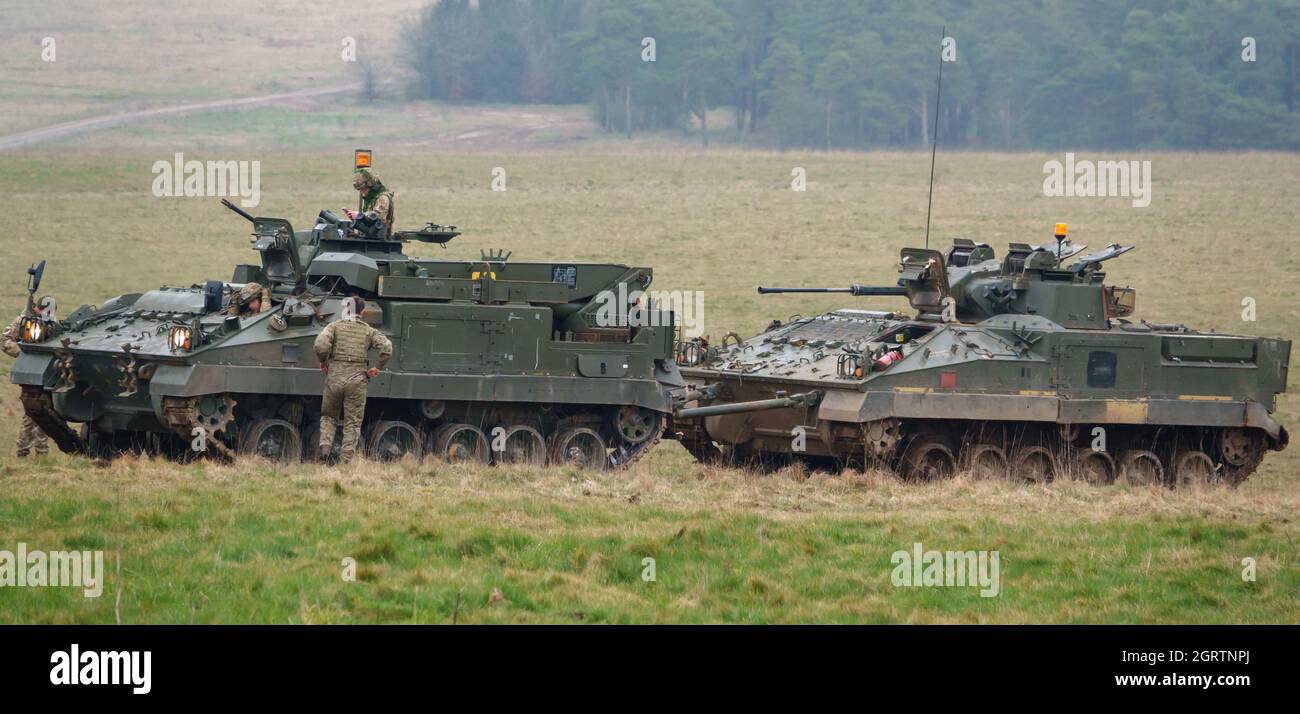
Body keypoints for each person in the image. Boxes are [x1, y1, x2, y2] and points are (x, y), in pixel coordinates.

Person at [314, 297, 392, 462]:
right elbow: (387, 347)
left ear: (345, 310)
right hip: (357, 379)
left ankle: (325, 449)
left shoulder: (334, 326)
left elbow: (321, 344)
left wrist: (323, 361)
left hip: (335, 376)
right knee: (353, 421)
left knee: (329, 416)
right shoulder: (368, 331)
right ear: (362, 311)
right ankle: (346, 459)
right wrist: (378, 367)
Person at [2, 312, 50, 458]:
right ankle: (24, 451)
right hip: (31, 373)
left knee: (47, 412)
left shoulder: (49, 321)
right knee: (31, 414)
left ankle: (41, 452)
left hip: (47, 373)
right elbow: (4, 341)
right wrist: (25, 355)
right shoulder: (23, 321)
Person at [346, 169, 395, 238]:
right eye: (360, 190)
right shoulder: (371, 198)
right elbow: (368, 220)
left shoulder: (383, 198)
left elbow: (378, 216)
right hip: (369, 238)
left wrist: (360, 215)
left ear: (372, 187)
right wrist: (356, 217)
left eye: (363, 189)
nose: (362, 193)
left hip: (379, 242)